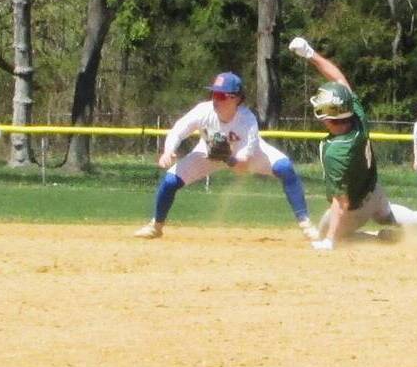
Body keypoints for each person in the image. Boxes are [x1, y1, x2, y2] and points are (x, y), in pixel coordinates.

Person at [287, 37, 417, 250]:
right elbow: (338, 78)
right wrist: (310, 53)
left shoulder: (337, 150)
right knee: (387, 214)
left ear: (329, 117)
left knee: (326, 231)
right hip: (375, 192)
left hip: (354, 209)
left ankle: (376, 238)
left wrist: (329, 240)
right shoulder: (357, 117)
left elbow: (341, 201)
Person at [133, 72, 318, 241]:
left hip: (246, 155)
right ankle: (156, 226)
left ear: (236, 98)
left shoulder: (247, 120)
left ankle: (305, 224)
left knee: (285, 167)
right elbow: (178, 130)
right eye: (214, 94)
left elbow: (242, 167)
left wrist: (228, 158)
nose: (215, 99)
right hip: (208, 152)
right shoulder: (203, 111)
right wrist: (168, 151)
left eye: (221, 96)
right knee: (170, 181)